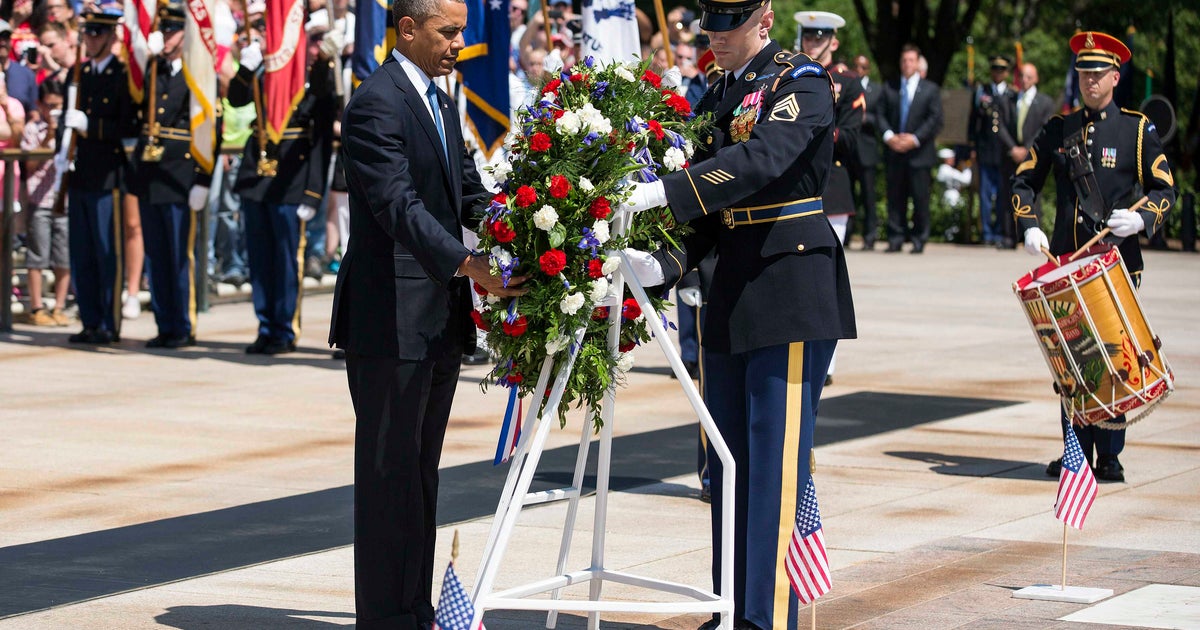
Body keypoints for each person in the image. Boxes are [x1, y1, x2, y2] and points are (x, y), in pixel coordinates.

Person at [621, 0, 856, 625]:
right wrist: (665, 264)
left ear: (765, 19)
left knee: (772, 463)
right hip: (730, 288)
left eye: (730, 24)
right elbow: (711, 209)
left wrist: (667, 191)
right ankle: (732, 609)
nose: (716, 37)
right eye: (711, 26)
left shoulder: (801, 81)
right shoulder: (721, 93)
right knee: (727, 463)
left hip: (788, 287)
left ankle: (767, 617)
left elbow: (760, 162)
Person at [331, 0, 527, 625]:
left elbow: (467, 192)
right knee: (389, 476)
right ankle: (385, 616)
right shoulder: (376, 103)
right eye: (449, 32)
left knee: (420, 474)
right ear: (409, 29)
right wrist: (469, 264)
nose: (459, 43)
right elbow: (398, 205)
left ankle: (414, 608)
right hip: (389, 318)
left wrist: (531, 225)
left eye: (462, 31)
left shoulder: (440, 102)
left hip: (436, 318)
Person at [1011, 31, 1175, 483]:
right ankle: (1076, 452)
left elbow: (1165, 190)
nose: (1090, 82)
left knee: (1115, 358)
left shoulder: (1136, 130)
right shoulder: (1059, 129)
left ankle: (1110, 454)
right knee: (1072, 359)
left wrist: (1139, 220)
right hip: (1067, 263)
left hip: (1116, 265)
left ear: (1115, 77)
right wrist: (1030, 225)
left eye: (1098, 74)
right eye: (1084, 74)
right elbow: (1023, 180)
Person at [227, 8, 339, 355]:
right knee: (260, 259)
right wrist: (246, 67)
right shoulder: (263, 69)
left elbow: (321, 138)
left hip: (293, 179)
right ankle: (266, 326)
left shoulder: (313, 75)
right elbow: (235, 99)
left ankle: (284, 328)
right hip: (257, 174)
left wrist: (313, 192)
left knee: (287, 259)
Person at [128, 0, 217, 348]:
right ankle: (164, 322)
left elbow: (210, 126)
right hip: (151, 176)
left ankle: (183, 324)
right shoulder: (154, 70)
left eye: (172, 30)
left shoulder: (197, 73)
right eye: (163, 29)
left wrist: (203, 179)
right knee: (157, 255)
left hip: (181, 177)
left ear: (186, 34)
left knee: (180, 255)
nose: (166, 36)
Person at [60, 4, 137, 344]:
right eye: (88, 34)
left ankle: (109, 322)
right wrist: (63, 152)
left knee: (107, 253)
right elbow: (66, 121)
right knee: (83, 252)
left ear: (110, 36)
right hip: (79, 174)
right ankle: (89, 319)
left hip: (108, 175)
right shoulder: (78, 74)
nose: (91, 40)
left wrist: (91, 127)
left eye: (97, 34)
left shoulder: (122, 76)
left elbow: (128, 126)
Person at [795, 10, 860, 387]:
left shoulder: (847, 82)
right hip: (796, 187)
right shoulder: (793, 74)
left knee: (825, 281)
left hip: (831, 188)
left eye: (820, 38)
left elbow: (852, 137)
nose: (813, 43)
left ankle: (827, 364)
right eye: (808, 37)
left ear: (833, 42)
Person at [878, 43, 942, 253]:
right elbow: (880, 114)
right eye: (904, 60)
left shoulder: (930, 89)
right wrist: (890, 137)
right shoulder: (890, 87)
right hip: (895, 151)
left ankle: (919, 238)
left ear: (917, 63)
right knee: (895, 197)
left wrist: (914, 139)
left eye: (911, 60)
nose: (907, 64)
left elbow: (935, 120)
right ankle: (895, 238)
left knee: (920, 198)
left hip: (919, 153)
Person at [19, 78, 71, 327]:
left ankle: (59, 307)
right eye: (49, 106)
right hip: (39, 200)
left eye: (57, 106)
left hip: (64, 199)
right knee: (37, 255)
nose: (53, 111)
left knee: (64, 257)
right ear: (39, 105)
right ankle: (37, 307)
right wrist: (48, 135)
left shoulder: (70, 129)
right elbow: (28, 164)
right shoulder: (32, 129)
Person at [968, 55, 1015, 247]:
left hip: (1004, 151)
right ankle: (987, 232)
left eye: (1001, 69)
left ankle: (1001, 231)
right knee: (985, 194)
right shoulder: (982, 91)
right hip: (986, 149)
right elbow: (974, 122)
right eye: (995, 69)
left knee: (1003, 194)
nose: (998, 73)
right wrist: (972, 147)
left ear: (1007, 73)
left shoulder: (1012, 94)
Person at [853, 54, 881, 249]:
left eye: (863, 67)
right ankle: (846, 235)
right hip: (848, 149)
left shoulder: (876, 90)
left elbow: (881, 117)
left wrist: (866, 119)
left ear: (868, 69)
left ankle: (870, 235)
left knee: (868, 195)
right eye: (856, 66)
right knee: (847, 195)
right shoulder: (847, 86)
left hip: (867, 148)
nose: (859, 70)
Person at [1010, 61, 1054, 176]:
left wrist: (1027, 149)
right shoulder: (1010, 100)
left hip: (1034, 157)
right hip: (1011, 157)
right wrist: (1013, 148)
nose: (1024, 80)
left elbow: (1044, 128)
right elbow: (1003, 124)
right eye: (1021, 76)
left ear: (1036, 79)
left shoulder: (1046, 102)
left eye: (1029, 77)